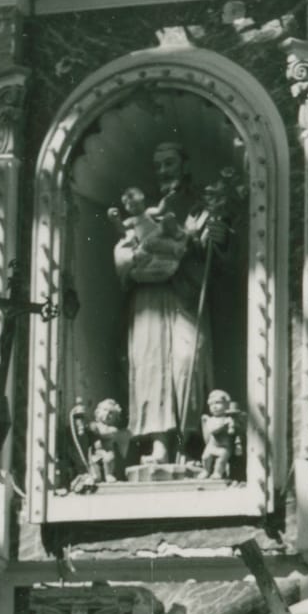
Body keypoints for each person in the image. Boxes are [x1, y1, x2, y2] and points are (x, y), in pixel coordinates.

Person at [112, 141, 224, 462]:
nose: (163, 170)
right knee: (152, 364)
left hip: (185, 293)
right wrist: (132, 258)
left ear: (184, 165)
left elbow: (215, 257)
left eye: (169, 163)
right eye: (158, 165)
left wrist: (217, 238)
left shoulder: (200, 205)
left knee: (189, 360)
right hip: (148, 297)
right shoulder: (144, 207)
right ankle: (160, 444)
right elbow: (124, 248)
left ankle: (188, 442)